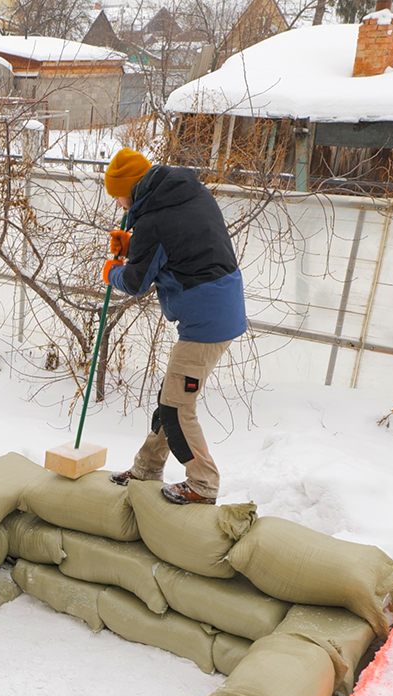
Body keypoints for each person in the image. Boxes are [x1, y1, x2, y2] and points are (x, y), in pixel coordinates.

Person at [99, 147, 248, 506]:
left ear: (132, 188)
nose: (119, 204)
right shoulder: (187, 192)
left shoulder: (154, 220)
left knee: (176, 408)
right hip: (218, 305)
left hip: (206, 319)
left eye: (118, 195)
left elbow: (135, 282)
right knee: (171, 400)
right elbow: (183, 244)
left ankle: (203, 483)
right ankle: (147, 467)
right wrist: (137, 247)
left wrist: (112, 270)